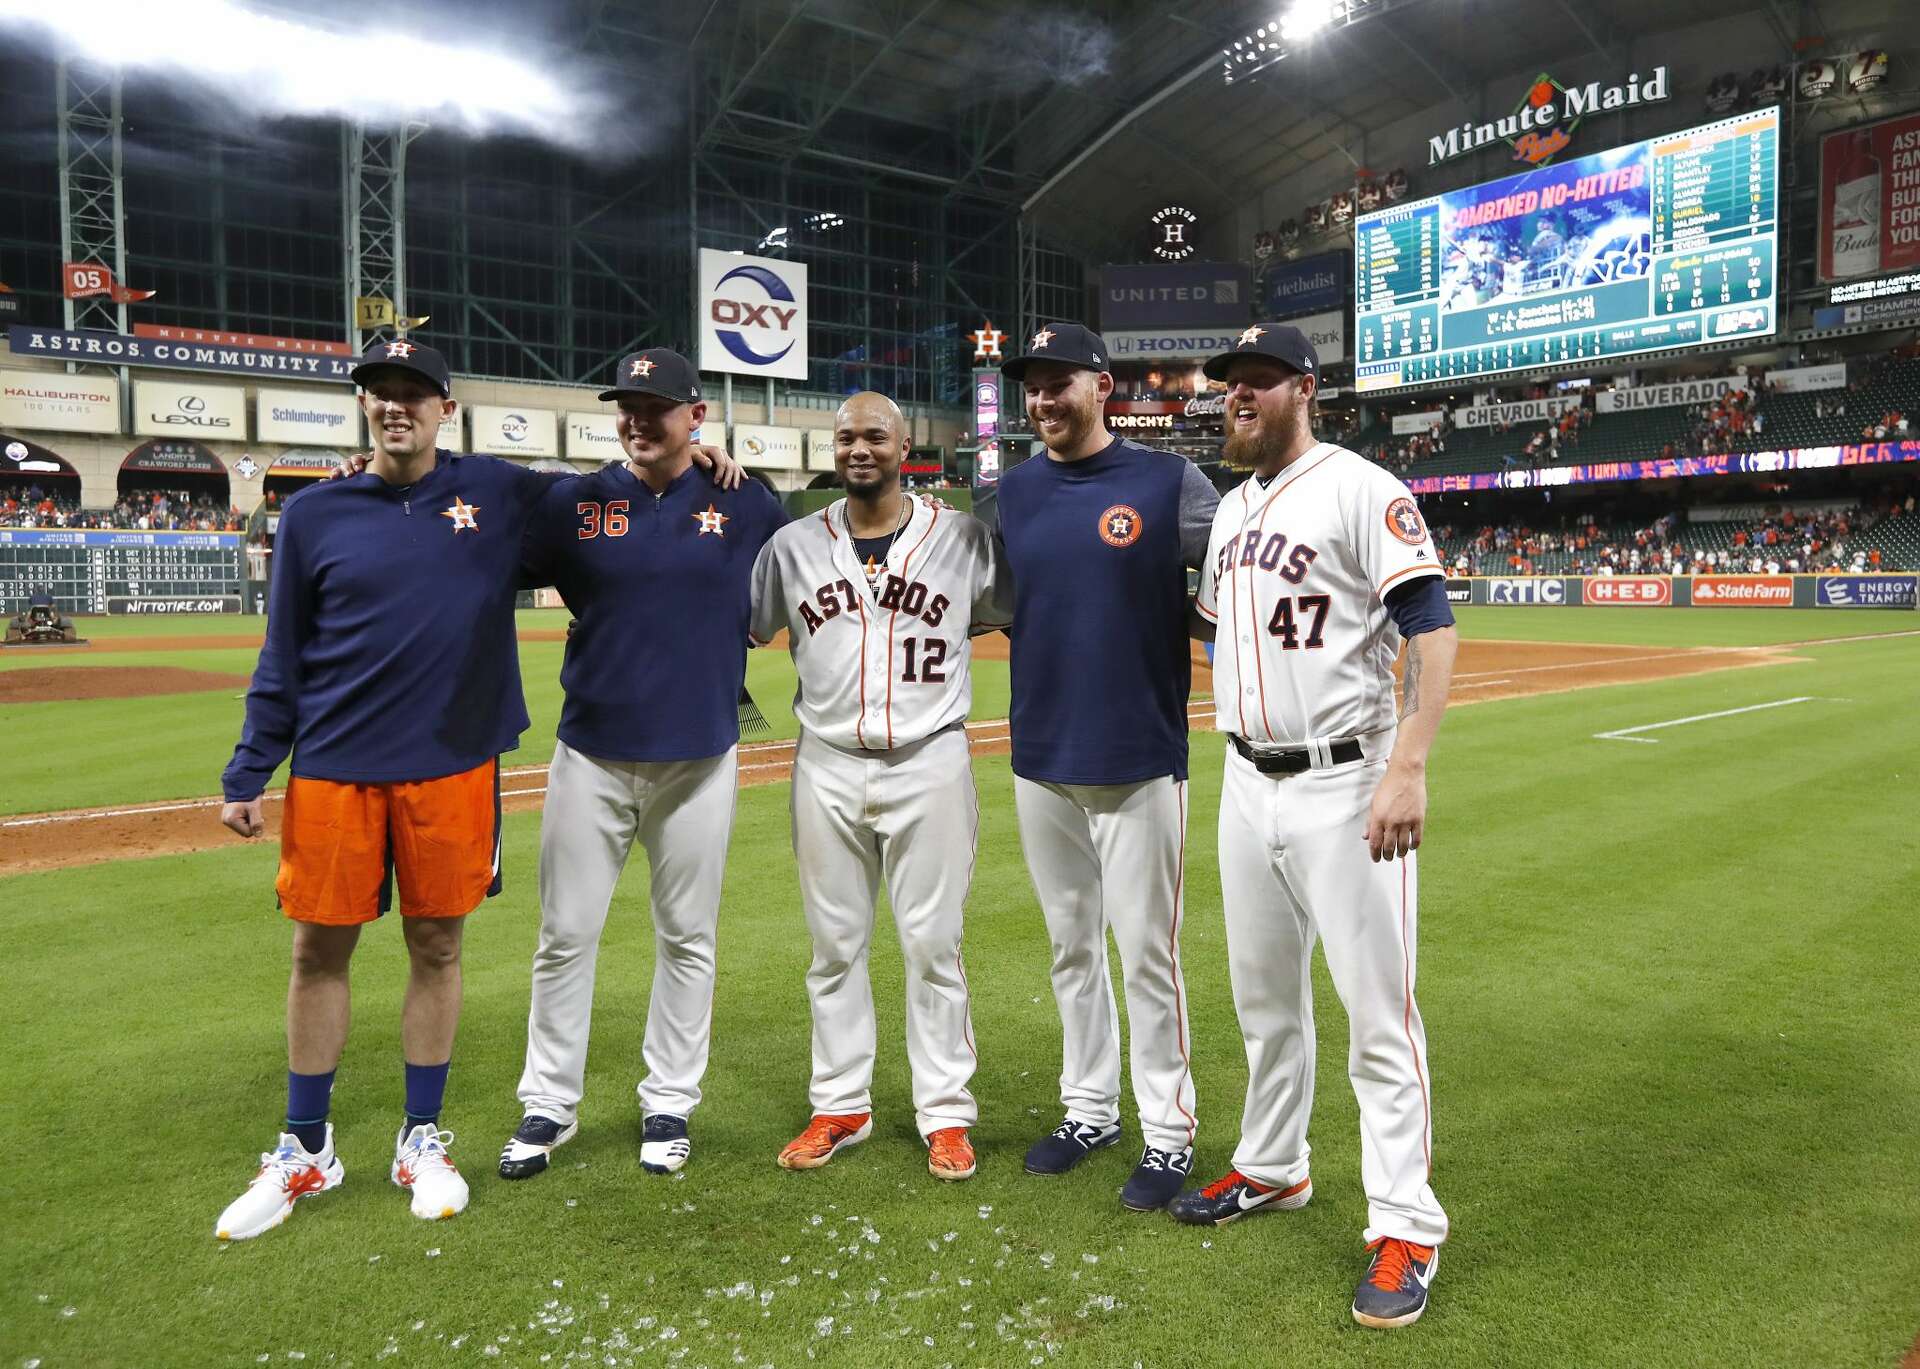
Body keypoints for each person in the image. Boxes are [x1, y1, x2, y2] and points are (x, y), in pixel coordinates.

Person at [213, 339, 561, 1240]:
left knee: (437, 946)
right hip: (333, 763)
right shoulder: (316, 514)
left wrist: (712, 465)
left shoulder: (494, 490)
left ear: (447, 408)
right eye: (379, 392)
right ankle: (305, 1147)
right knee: (315, 953)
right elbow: (283, 651)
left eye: (414, 392)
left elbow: (615, 492)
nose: (395, 405)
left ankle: (419, 1138)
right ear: (364, 406)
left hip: (452, 762)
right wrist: (253, 763)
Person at [1174, 322, 1457, 1329]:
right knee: (1264, 1005)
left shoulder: (1360, 487)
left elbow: (1430, 626)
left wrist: (1408, 766)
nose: (1236, 398)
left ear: (1305, 387)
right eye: (1227, 385)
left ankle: (1406, 1224)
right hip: (1246, 781)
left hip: (1349, 785)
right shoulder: (1236, 509)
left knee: (1378, 1017)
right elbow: (1211, 633)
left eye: (1256, 381)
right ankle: (1273, 1165)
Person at [499, 349, 787, 1182]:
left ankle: (670, 1099)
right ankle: (549, 1102)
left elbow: (796, 592)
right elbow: (490, 553)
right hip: (589, 751)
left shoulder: (745, 503)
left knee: (688, 936)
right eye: (626, 405)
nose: (635, 419)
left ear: (696, 417)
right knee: (564, 935)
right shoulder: (577, 502)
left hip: (700, 755)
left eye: (654, 406)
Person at [980, 321, 1219, 1212]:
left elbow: (1228, 579)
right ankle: (1090, 1108)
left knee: (1146, 954)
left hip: (1138, 754)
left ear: (1102, 387)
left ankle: (1166, 1130)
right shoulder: (1009, 494)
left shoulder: (1168, 480)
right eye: (1030, 387)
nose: (1041, 400)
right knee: (1070, 946)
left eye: (1057, 383)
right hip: (1040, 753)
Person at [749, 392, 1011, 1182]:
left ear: (906, 447)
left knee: (933, 946)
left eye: (875, 436)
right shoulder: (792, 545)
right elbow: (736, 621)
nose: (859, 448)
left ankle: (945, 1113)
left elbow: (1012, 614)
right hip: (824, 760)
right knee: (834, 946)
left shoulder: (962, 538)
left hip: (929, 757)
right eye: (846, 437)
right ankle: (841, 1102)